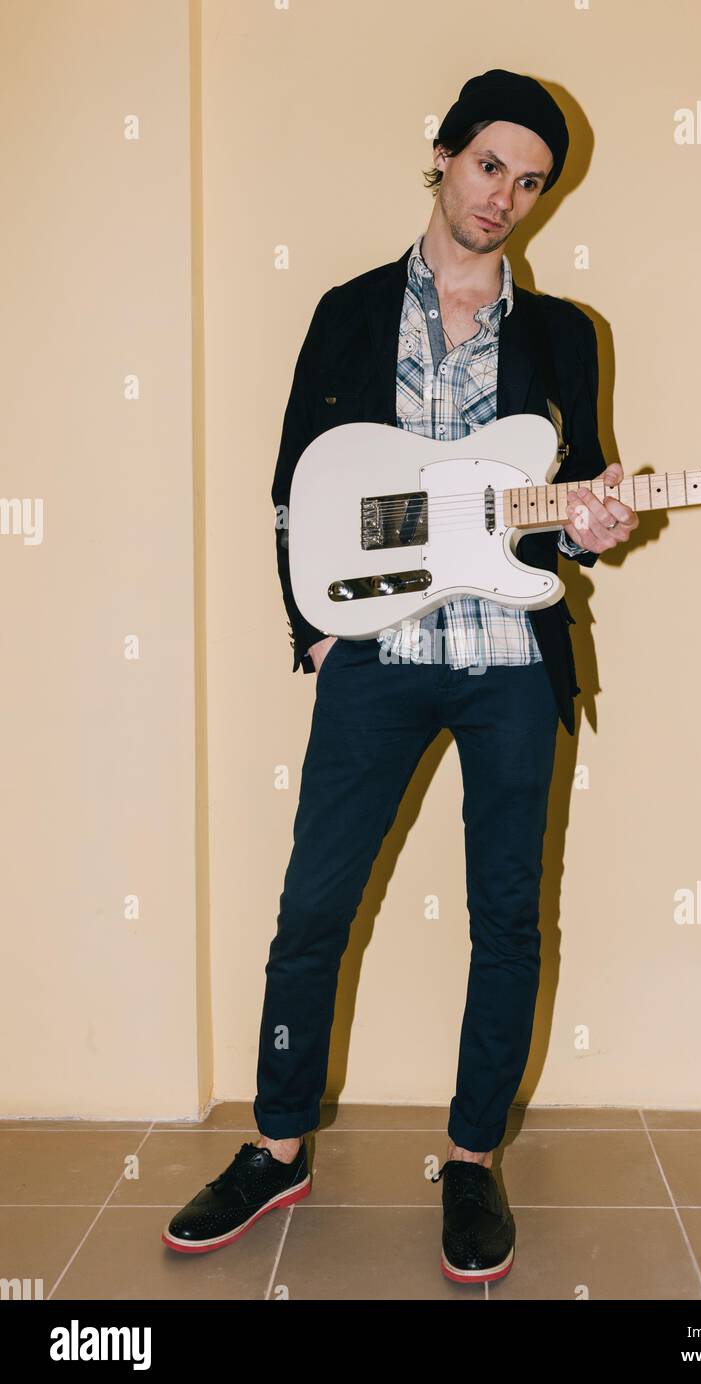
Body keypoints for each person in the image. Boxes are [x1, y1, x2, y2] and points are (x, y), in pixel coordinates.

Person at [163, 68, 639, 1282]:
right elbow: (295, 491)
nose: (505, 199)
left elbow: (570, 485)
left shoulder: (564, 335)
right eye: (489, 168)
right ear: (440, 158)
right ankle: (276, 1148)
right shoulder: (349, 310)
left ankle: (470, 1161)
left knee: (506, 921)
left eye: (530, 183)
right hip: (376, 656)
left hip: (505, 661)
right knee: (313, 909)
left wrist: (587, 525)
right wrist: (308, 627)